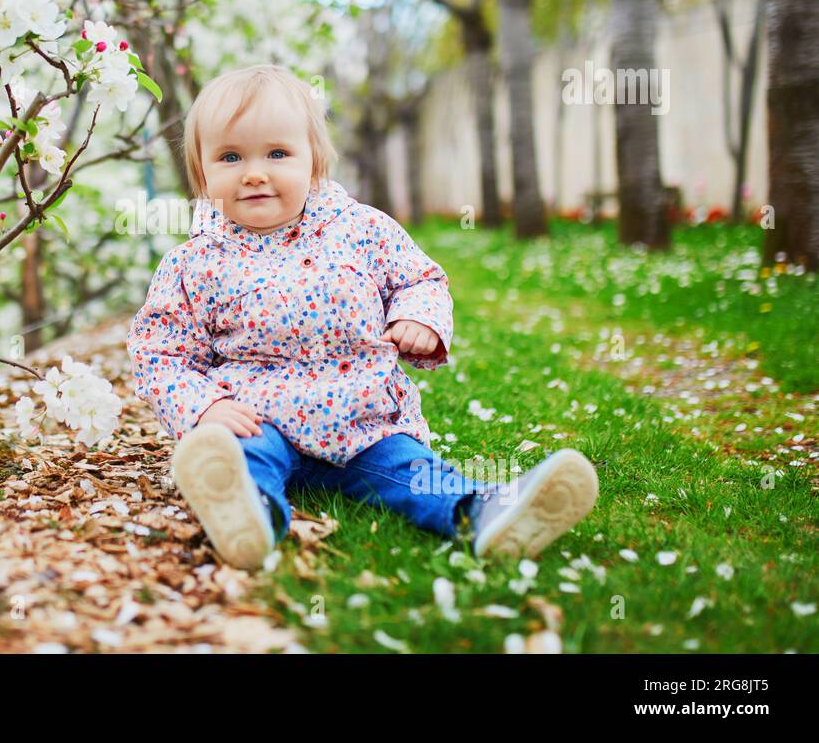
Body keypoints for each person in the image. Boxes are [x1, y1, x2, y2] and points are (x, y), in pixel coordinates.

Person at [126, 64, 598, 570]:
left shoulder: (361, 229)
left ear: (314, 163)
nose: (254, 172)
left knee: (415, 471)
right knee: (242, 458)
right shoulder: (194, 263)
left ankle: (482, 513)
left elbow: (419, 278)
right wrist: (202, 407)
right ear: (201, 173)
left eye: (278, 153)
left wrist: (420, 317)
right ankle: (249, 516)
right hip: (257, 418)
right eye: (230, 157)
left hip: (362, 420)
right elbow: (160, 352)